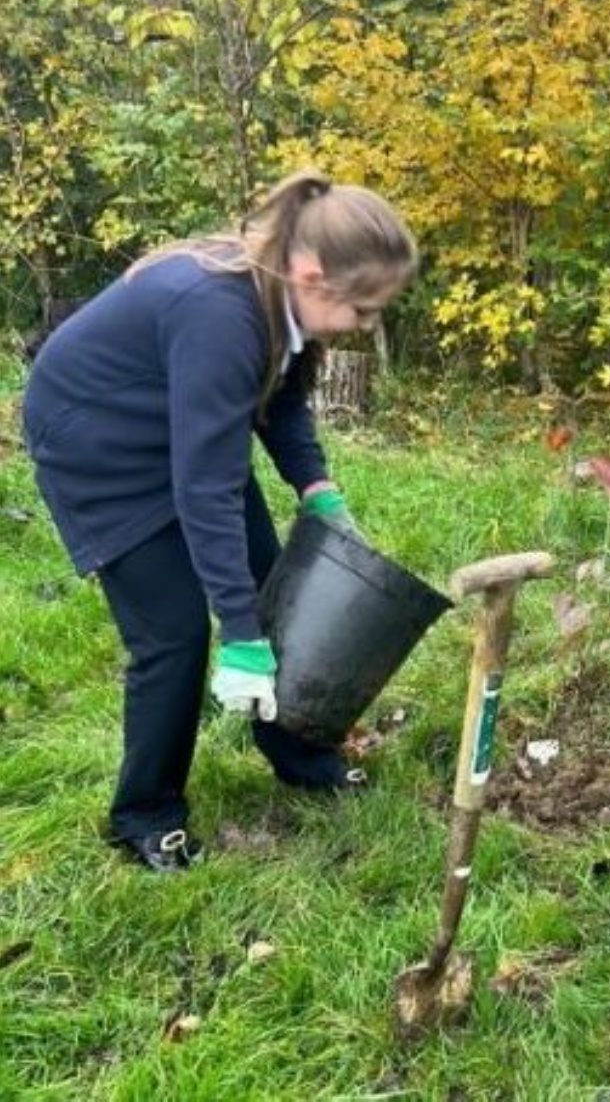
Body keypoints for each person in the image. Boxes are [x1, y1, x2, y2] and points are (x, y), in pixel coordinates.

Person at [23, 169, 419, 872]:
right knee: (173, 635)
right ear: (312, 272)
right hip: (99, 447)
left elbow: (283, 399)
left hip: (182, 431)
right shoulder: (218, 313)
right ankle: (144, 814)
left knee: (278, 592)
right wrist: (237, 637)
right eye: (363, 310)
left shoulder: (279, 300)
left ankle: (300, 755)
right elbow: (203, 490)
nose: (369, 325)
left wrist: (315, 488)